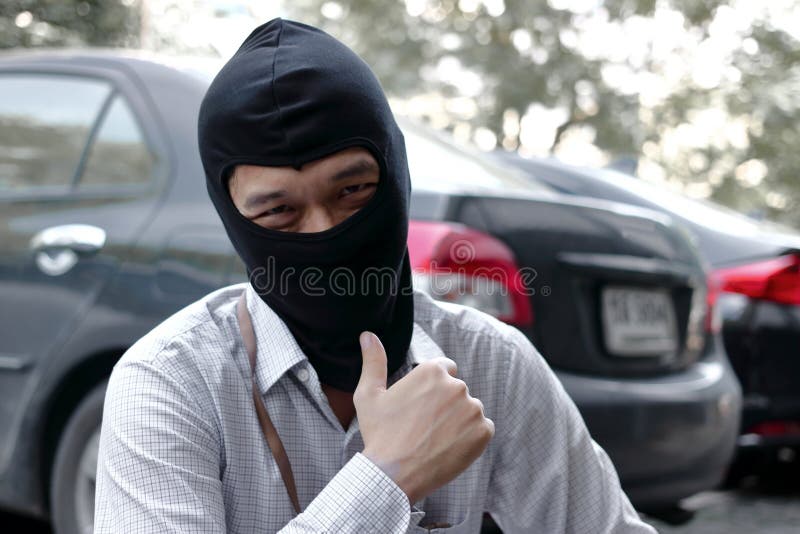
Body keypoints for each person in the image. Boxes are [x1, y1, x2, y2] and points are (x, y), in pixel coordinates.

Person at [94, 17, 657, 534]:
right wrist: (387, 477)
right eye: (278, 212)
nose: (324, 234)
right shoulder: (169, 385)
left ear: (397, 176)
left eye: (353, 192)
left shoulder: (494, 366)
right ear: (234, 219)